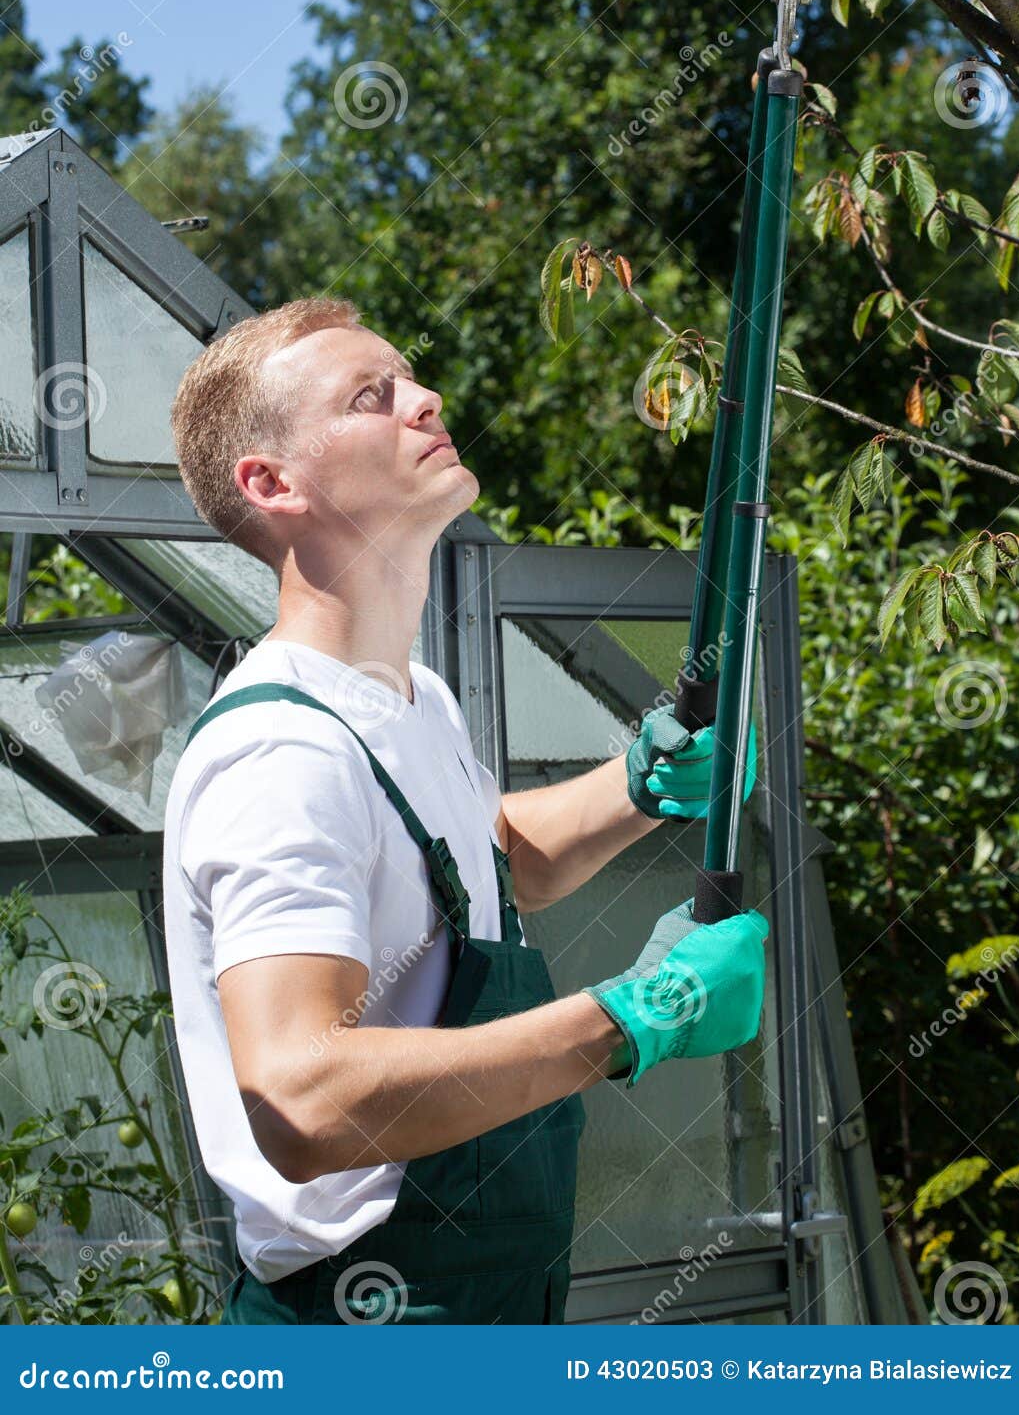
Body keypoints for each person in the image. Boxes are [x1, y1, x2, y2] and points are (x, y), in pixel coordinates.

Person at [162, 297, 767, 1326]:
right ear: (271, 484)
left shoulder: (414, 698)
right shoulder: (282, 752)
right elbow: (300, 1098)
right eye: (370, 395)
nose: (425, 398)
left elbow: (483, 868)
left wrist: (636, 785)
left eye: (408, 376)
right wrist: (630, 1017)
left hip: (495, 1299)